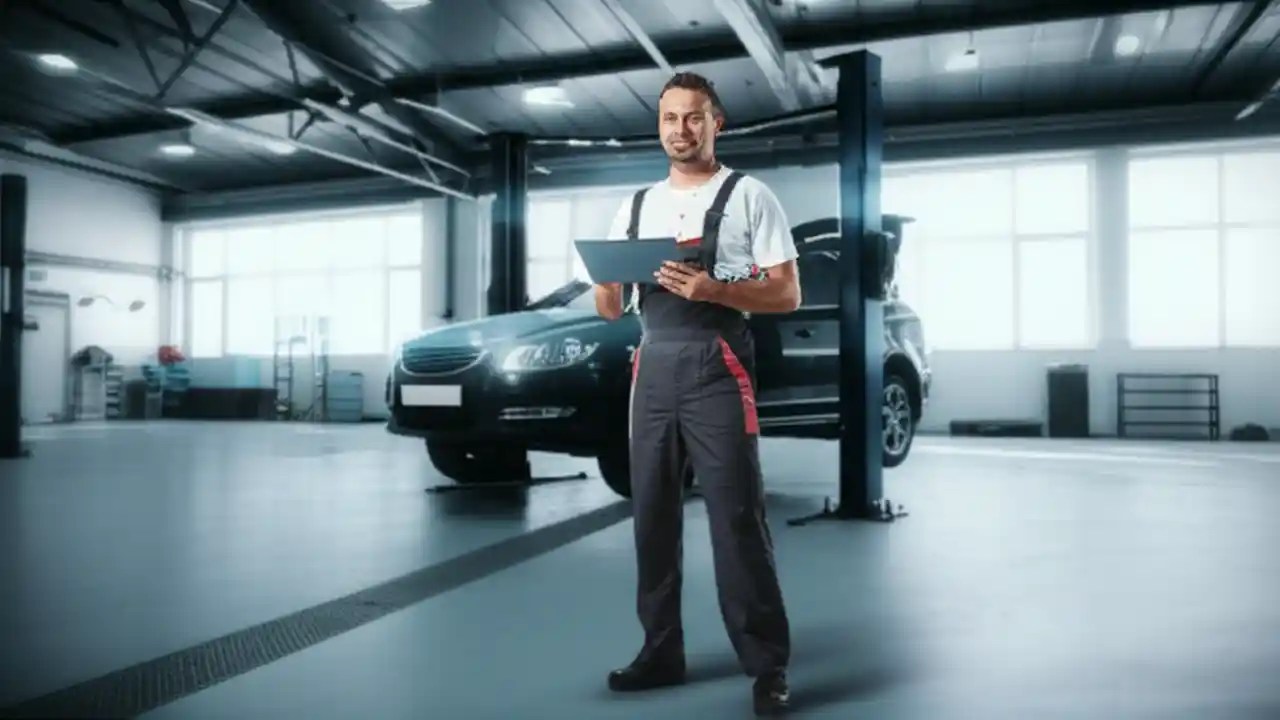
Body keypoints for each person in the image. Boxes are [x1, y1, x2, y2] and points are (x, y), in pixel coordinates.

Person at [594, 71, 800, 717]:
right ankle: (661, 650)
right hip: (651, 365)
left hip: (718, 364)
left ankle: (767, 668)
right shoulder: (634, 207)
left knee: (736, 520)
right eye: (669, 119)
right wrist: (606, 278)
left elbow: (783, 290)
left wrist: (715, 287)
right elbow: (610, 309)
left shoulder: (747, 197)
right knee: (652, 516)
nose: (679, 130)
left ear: (717, 124)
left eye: (693, 117)